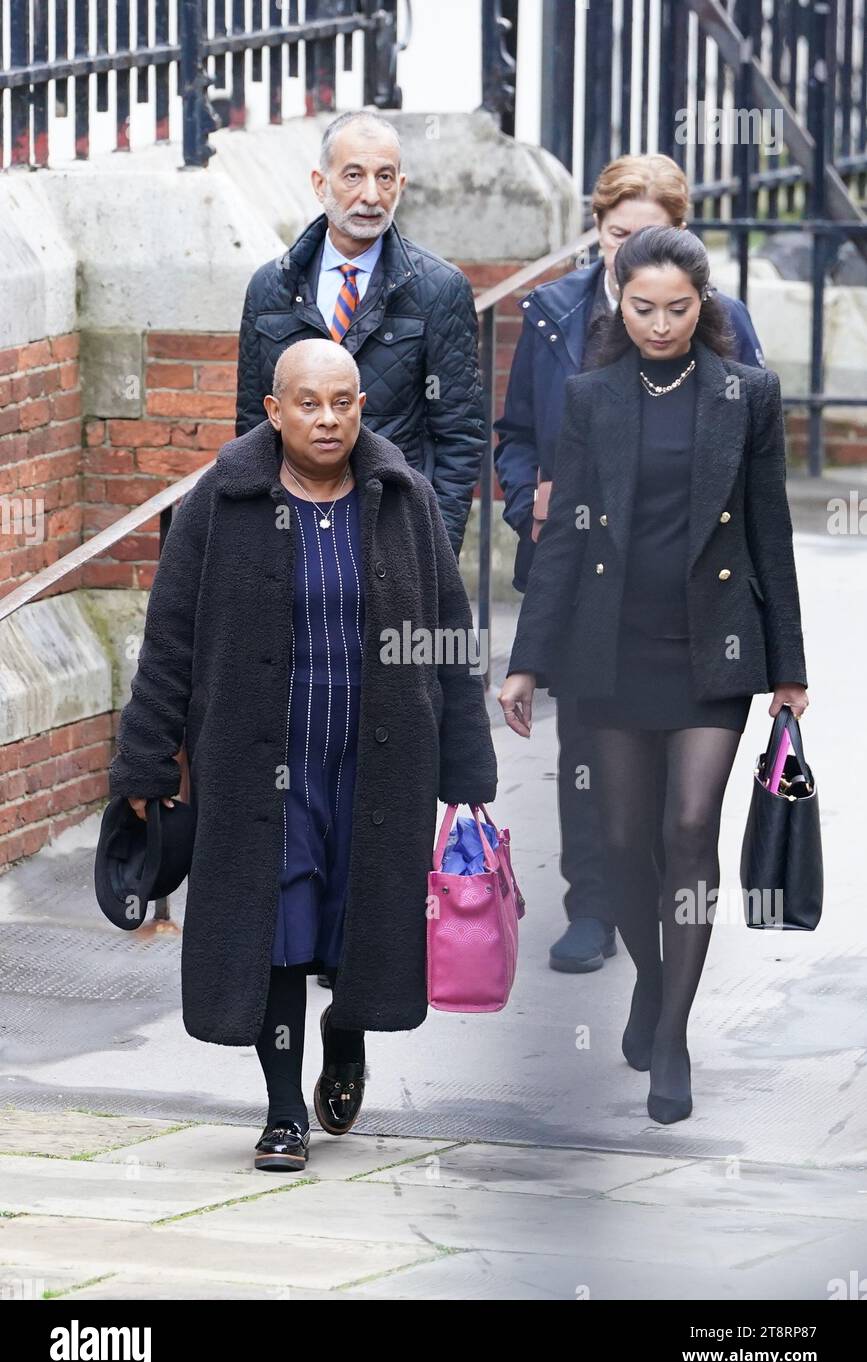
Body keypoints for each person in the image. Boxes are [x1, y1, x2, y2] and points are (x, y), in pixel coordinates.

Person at [110, 338, 496, 1171]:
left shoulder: (402, 498)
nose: (328, 419)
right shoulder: (222, 502)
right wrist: (143, 763)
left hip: (376, 768)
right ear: (274, 410)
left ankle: (346, 1036)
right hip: (261, 770)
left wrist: (466, 768)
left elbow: (445, 634)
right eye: (309, 403)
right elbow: (169, 641)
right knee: (277, 930)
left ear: (363, 407)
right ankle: (284, 1111)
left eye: (344, 402)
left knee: (361, 922)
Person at [498, 226, 809, 1125]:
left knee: (687, 829)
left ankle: (670, 1032)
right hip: (612, 650)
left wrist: (787, 667)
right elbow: (563, 541)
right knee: (625, 843)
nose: (661, 324)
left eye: (678, 308)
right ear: (618, 299)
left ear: (702, 305)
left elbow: (769, 534)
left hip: (712, 650)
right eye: (643, 308)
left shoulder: (745, 395)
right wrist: (527, 663)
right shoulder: (592, 397)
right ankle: (651, 978)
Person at [494, 154, 765, 976]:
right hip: (579, 573)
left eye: (648, 237)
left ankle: (658, 930)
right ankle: (593, 907)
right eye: (617, 237)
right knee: (590, 765)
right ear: (596, 231)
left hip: (682, 590)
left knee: (675, 800)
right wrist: (524, 506)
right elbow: (513, 437)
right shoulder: (550, 314)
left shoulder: (717, 317)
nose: (629, 255)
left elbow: (747, 447)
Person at [235, 109, 485, 558]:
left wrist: (435, 554)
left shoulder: (439, 290)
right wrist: (256, 541)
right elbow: (252, 424)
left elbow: (460, 437)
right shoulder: (271, 287)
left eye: (385, 177)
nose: (371, 195)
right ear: (320, 183)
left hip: (393, 529)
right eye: (354, 175)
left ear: (401, 186)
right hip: (291, 528)